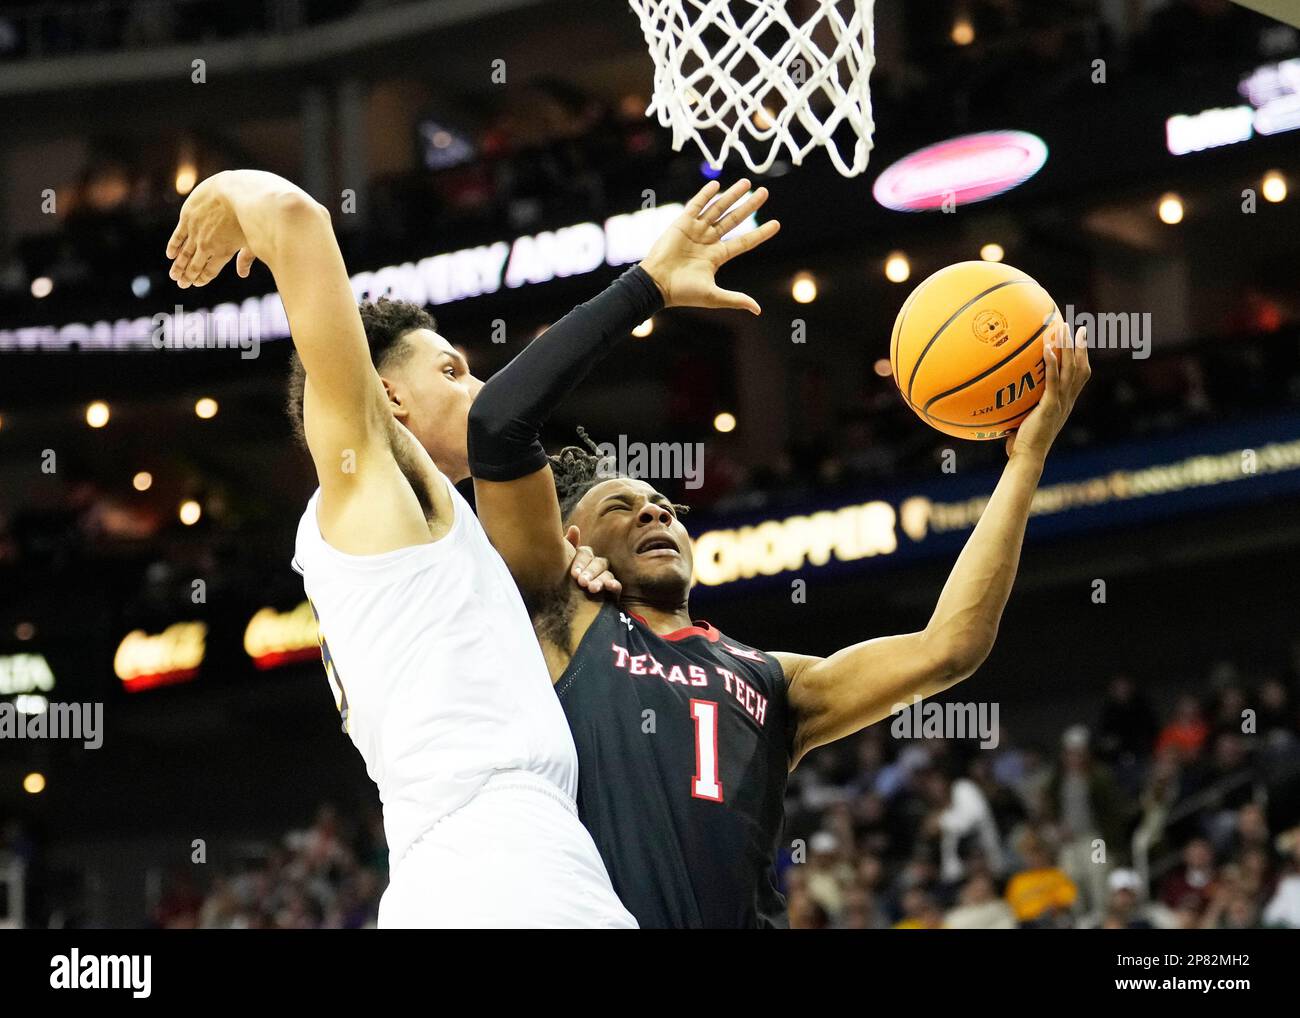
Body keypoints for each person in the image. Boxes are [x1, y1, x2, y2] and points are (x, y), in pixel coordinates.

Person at [466, 177, 1092, 927]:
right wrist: (647, 287)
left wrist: (1024, 462)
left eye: (664, 505)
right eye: (622, 506)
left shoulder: (769, 680)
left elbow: (949, 647)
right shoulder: (558, 623)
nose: (655, 512)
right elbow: (499, 424)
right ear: (571, 543)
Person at [165, 169, 634, 928]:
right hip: (501, 871)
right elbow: (296, 216)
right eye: (452, 371)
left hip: (479, 868)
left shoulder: (434, 534)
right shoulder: (374, 482)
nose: (479, 388)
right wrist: (227, 189)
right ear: (387, 400)